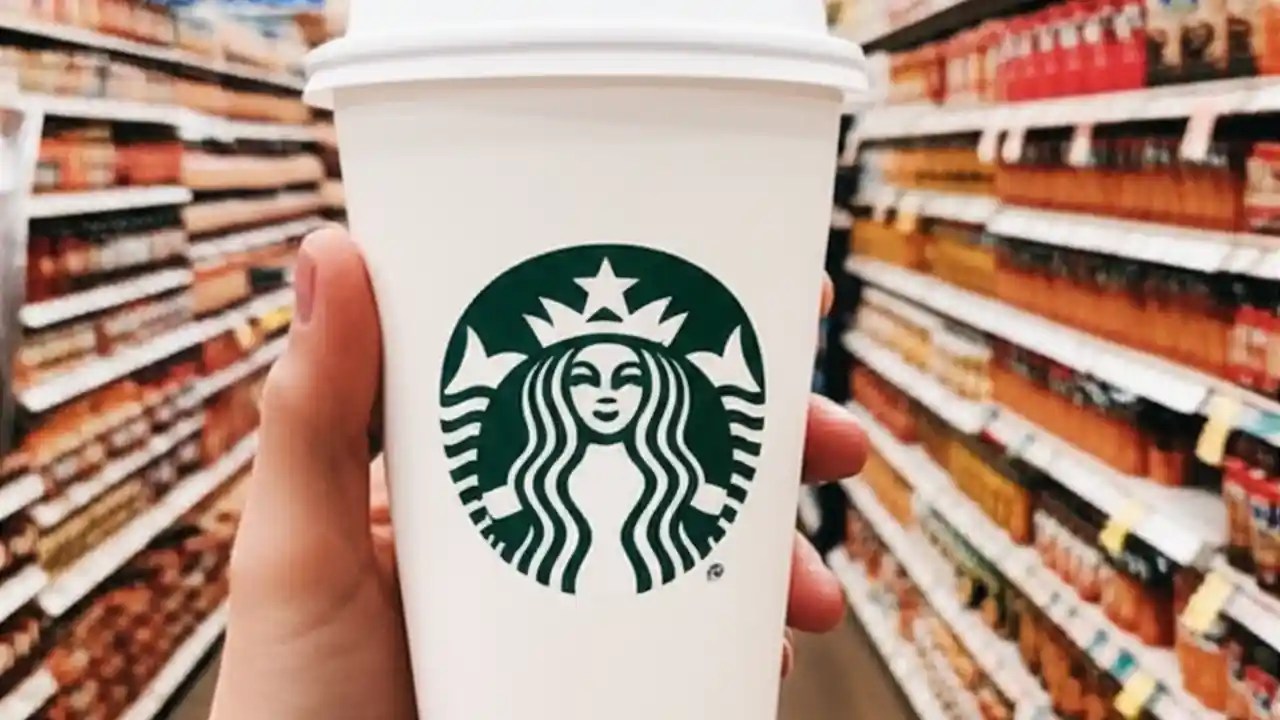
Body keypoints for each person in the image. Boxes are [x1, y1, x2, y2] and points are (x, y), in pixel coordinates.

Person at [209, 228, 869, 719]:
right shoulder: (518, 495)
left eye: (629, 377)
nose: (606, 395)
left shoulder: (685, 493)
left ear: (661, 391)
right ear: (551, 390)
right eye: (584, 376)